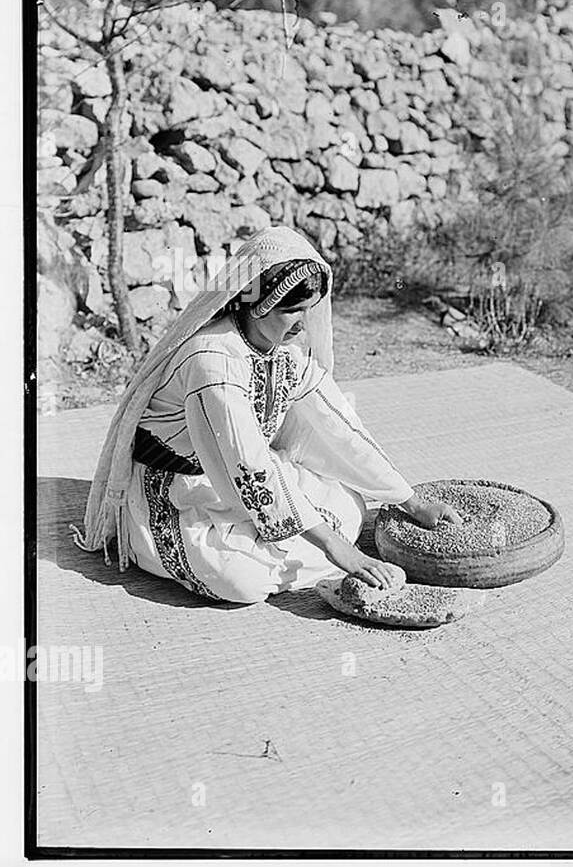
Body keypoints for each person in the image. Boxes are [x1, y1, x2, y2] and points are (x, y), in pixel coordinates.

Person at [73, 226, 460, 604]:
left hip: (240, 481)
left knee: (351, 507)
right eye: (292, 310)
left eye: (311, 310)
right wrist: (339, 551)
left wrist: (410, 501)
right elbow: (249, 466)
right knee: (242, 583)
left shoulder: (288, 348)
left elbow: (337, 426)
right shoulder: (212, 362)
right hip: (176, 491)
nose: (303, 323)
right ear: (256, 304)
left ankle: (286, 538)